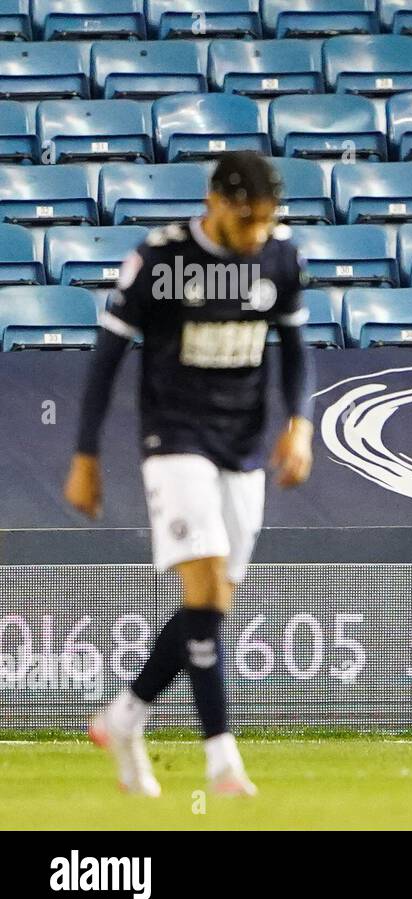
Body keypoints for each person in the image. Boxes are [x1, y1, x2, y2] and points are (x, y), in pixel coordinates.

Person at [66, 152, 314, 797]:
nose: (257, 233)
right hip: (174, 436)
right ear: (214, 203)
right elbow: (107, 357)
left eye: (266, 220)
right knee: (204, 584)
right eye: (246, 219)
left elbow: (294, 349)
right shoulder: (160, 259)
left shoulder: (280, 256)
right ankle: (222, 760)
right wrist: (85, 454)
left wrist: (301, 422)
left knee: (212, 604)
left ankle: (125, 716)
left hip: (243, 443)